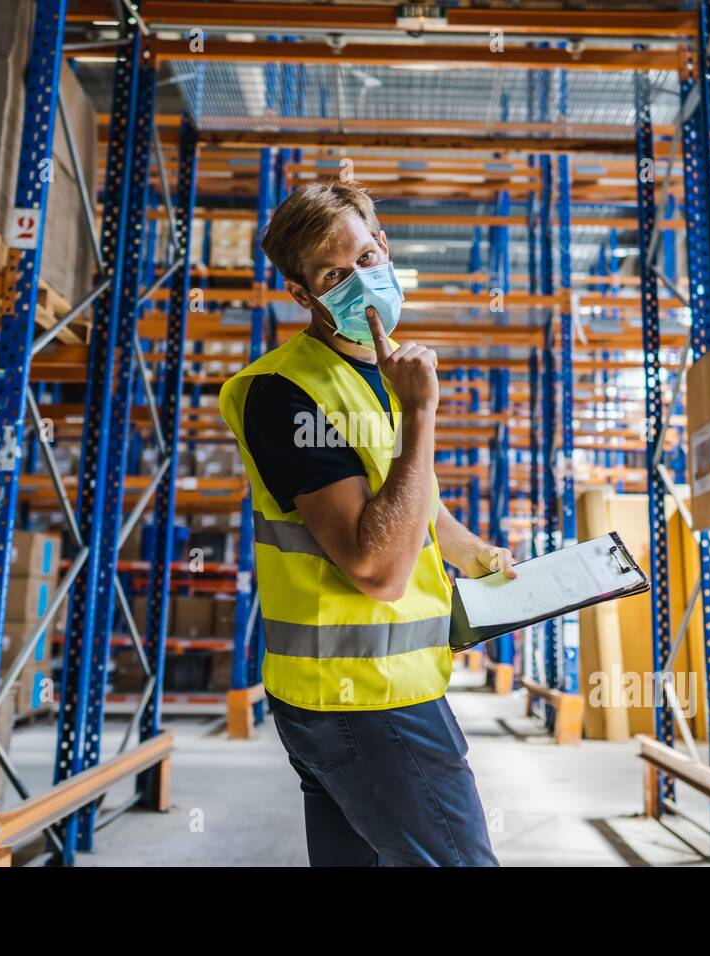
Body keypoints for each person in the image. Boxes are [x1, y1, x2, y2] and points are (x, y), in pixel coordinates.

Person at [218, 181, 514, 867]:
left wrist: (483, 560)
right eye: (334, 274)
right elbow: (376, 566)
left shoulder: (380, 373)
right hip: (366, 699)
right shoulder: (286, 392)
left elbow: (419, 508)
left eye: (370, 256)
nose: (364, 281)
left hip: (370, 693)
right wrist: (421, 418)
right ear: (302, 295)